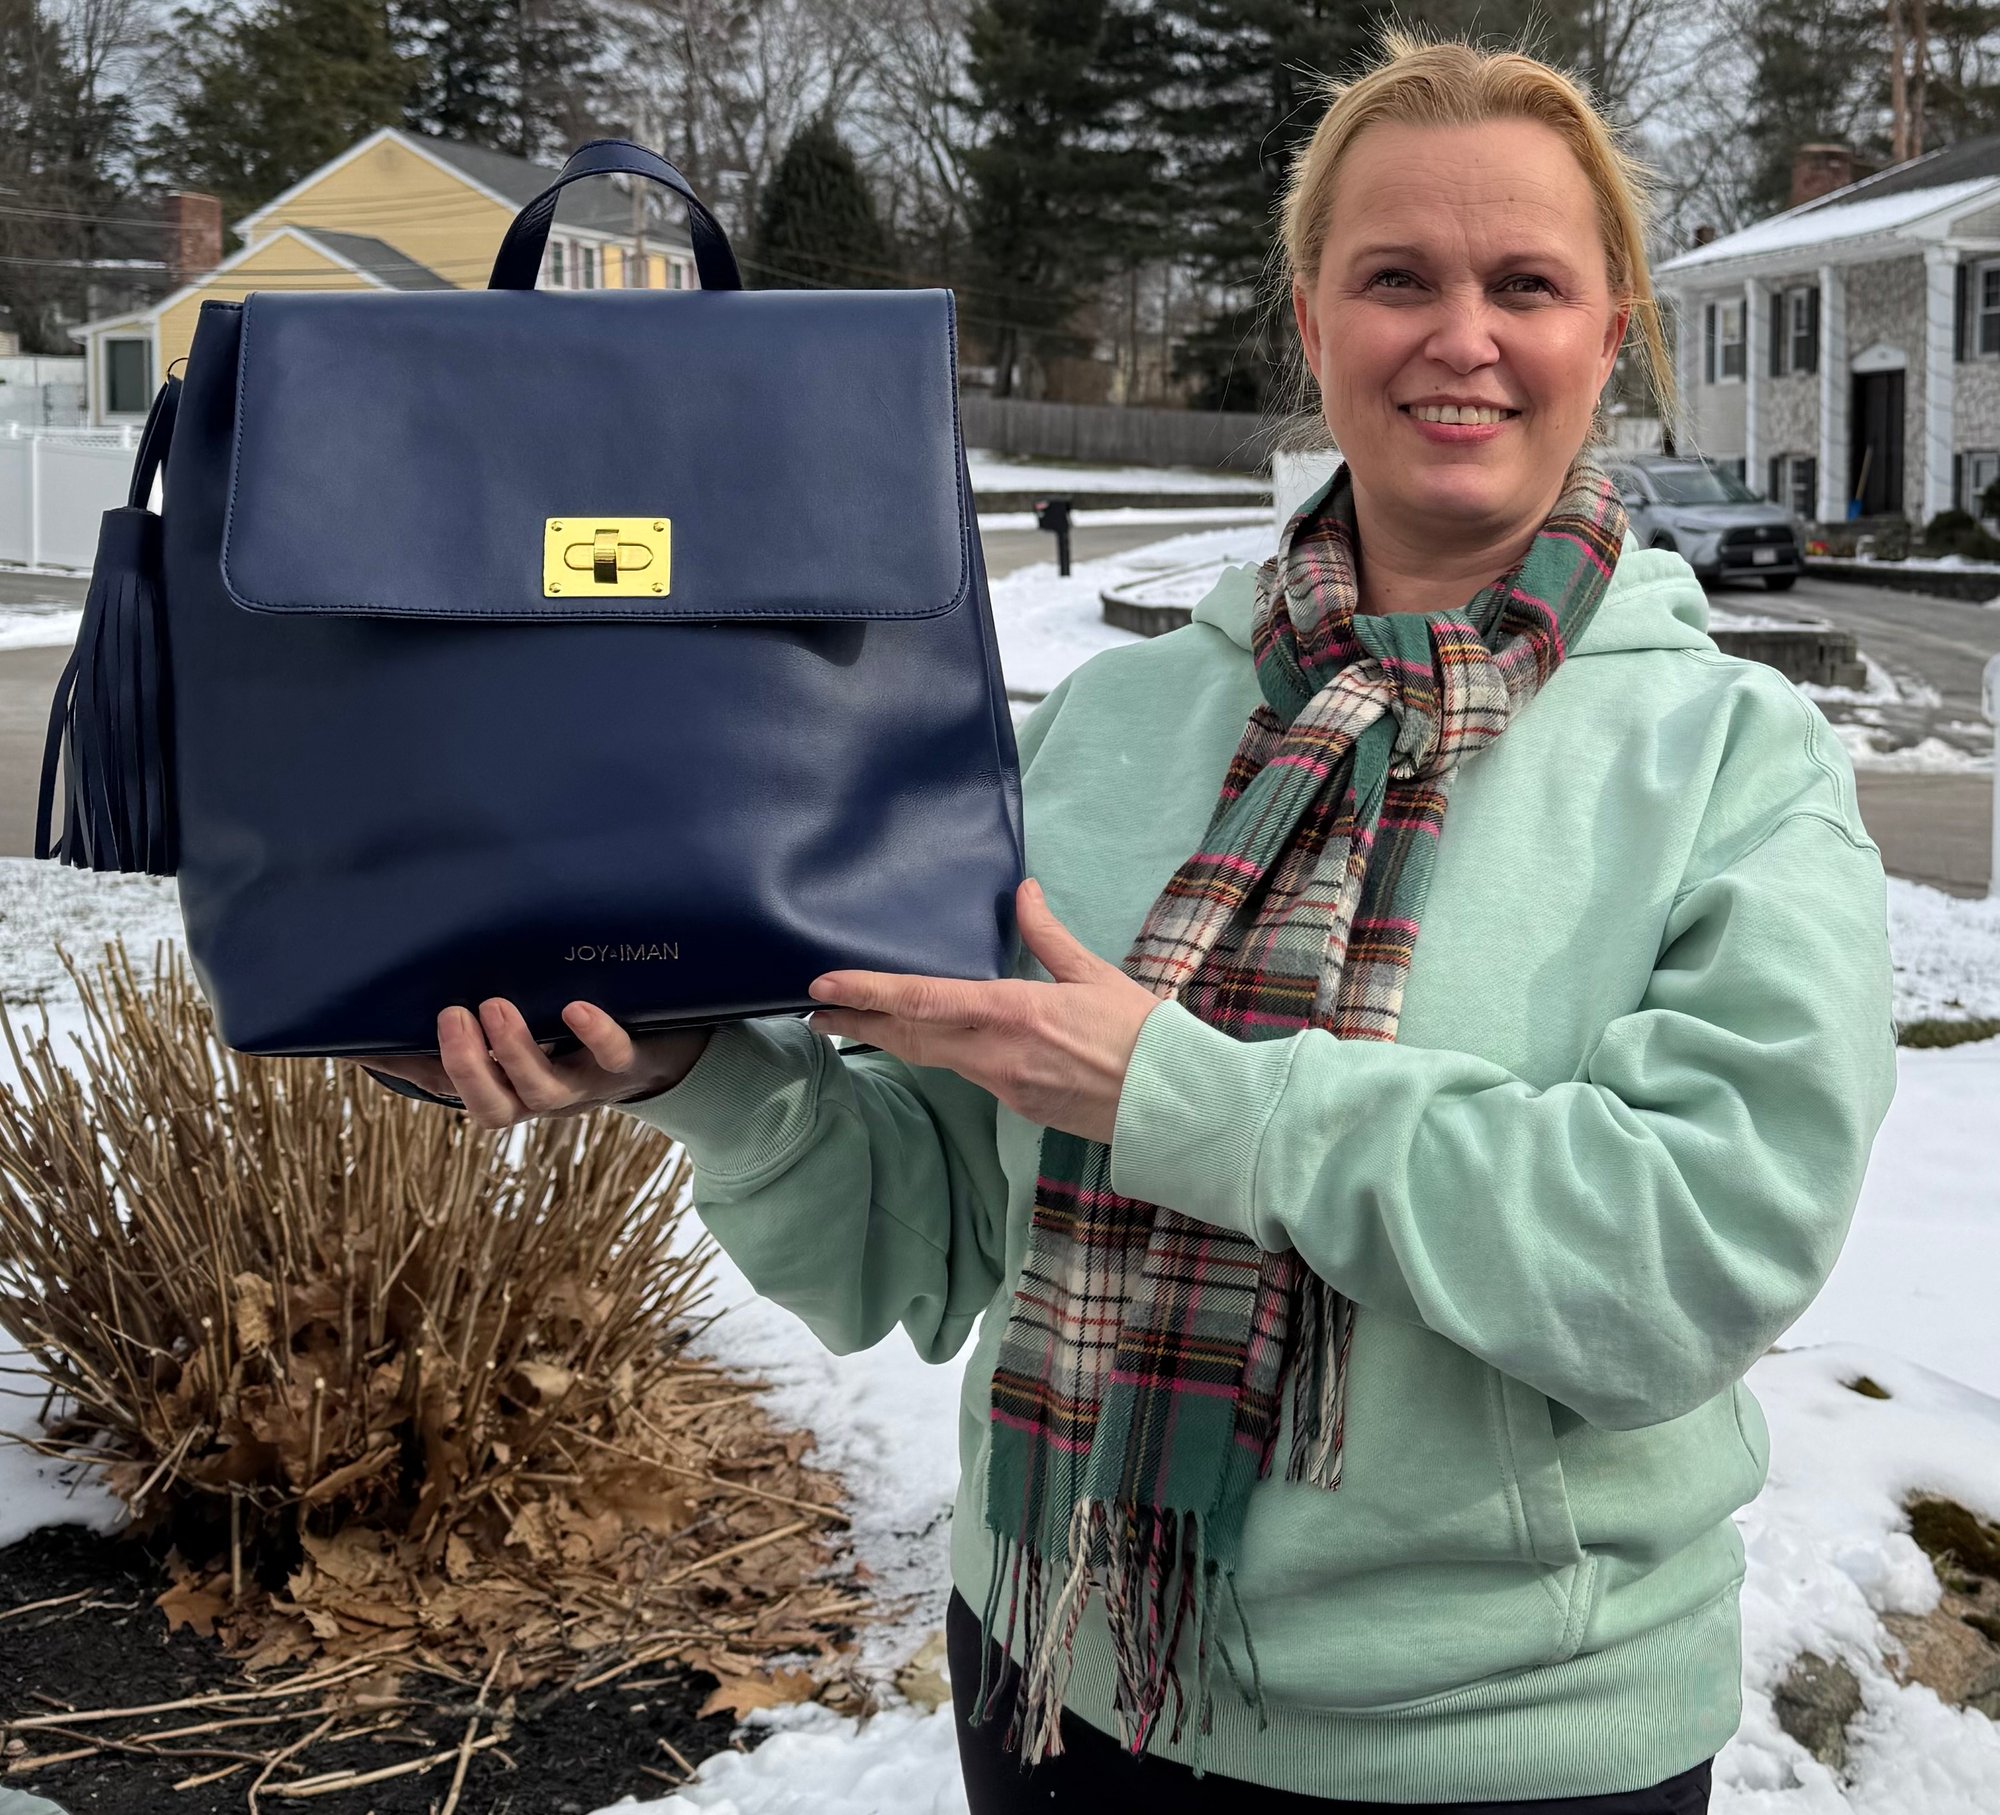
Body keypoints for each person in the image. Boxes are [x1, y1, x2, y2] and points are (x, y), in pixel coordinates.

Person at [358, 30, 1898, 1815]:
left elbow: (1689, 1260)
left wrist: (1195, 1101)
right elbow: (925, 1243)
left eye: (1525, 284)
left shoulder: (1731, 761)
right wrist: (693, 1068)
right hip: (1056, 1678)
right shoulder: (1112, 730)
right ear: (1313, 329)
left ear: (1605, 336)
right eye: (1395, 277)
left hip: (1497, 1744)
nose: (1460, 336)